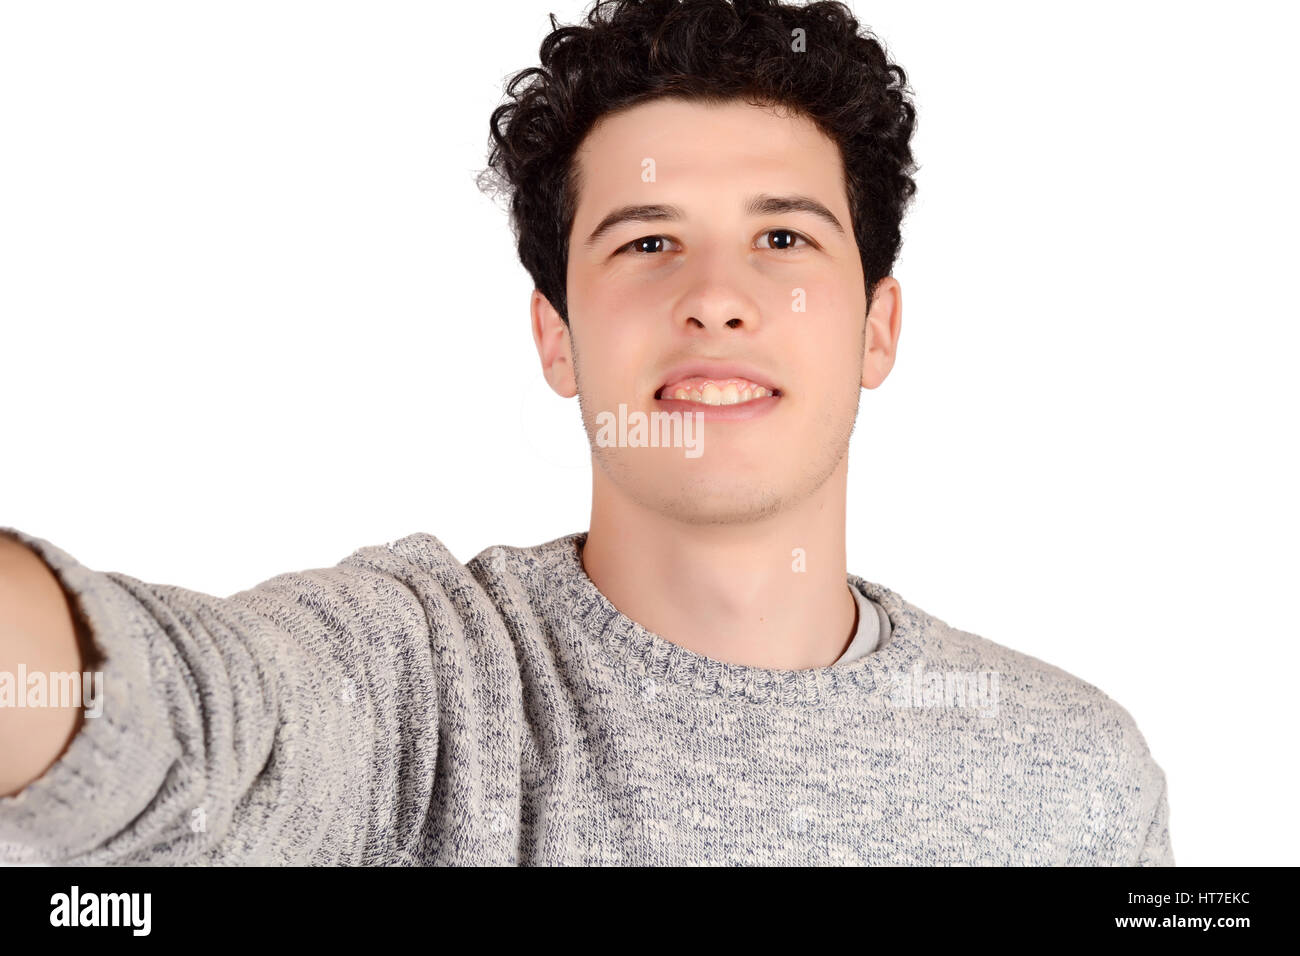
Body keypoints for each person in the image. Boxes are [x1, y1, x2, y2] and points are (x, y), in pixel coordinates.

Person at [0, 0, 1172, 865]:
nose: (717, 296)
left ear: (878, 328)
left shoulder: (1072, 775)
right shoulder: (424, 689)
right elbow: (178, 724)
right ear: (555, 337)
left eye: (783, 239)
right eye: (647, 241)